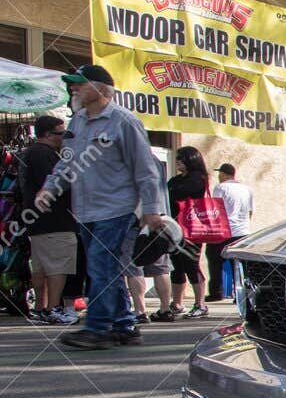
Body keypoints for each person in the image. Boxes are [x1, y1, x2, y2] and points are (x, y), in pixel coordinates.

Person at [35, 64, 165, 349]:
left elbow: (146, 169)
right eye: (72, 83)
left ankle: (98, 328)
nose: (74, 88)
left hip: (115, 209)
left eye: (80, 83)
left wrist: (152, 208)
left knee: (100, 266)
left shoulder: (124, 121)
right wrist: (50, 188)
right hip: (85, 211)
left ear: (103, 90)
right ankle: (125, 326)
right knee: (108, 268)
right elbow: (67, 162)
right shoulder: (78, 121)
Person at [18, 114, 78, 325]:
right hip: (55, 220)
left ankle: (41, 308)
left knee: (41, 267)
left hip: (38, 220)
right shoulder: (44, 154)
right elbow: (55, 184)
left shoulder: (31, 153)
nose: (64, 138)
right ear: (47, 134)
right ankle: (51, 309)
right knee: (57, 266)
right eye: (61, 134)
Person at [168, 145, 211, 316]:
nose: (177, 161)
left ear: (190, 160)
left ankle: (200, 304)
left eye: (181, 158)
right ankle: (177, 303)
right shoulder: (178, 179)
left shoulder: (197, 179)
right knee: (176, 265)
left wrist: (174, 189)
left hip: (191, 228)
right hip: (174, 227)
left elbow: (181, 193)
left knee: (191, 264)